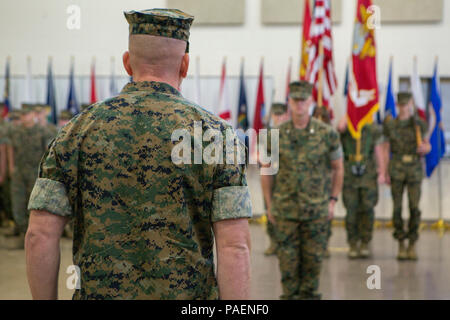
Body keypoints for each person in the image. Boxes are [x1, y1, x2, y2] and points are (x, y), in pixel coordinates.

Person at [26, 8, 252, 300]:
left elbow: (39, 235)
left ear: (127, 62)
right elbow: (235, 247)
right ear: (185, 65)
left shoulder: (76, 132)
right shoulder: (215, 136)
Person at [260, 81, 344, 300]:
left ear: (311, 102)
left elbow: (338, 168)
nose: (299, 105)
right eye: (295, 100)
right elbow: (267, 172)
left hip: (316, 213)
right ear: (289, 102)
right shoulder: (274, 136)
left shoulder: (327, 134)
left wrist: (333, 200)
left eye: (303, 100)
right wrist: (269, 206)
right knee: (288, 274)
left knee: (312, 273)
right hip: (285, 212)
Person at [383, 92, 431, 260]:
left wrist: (426, 149)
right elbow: (386, 148)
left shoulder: (419, 124)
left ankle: (412, 244)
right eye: (401, 105)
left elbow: (427, 145)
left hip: (414, 170)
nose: (404, 108)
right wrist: (384, 171)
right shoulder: (390, 125)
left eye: (407, 104)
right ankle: (400, 244)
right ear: (397, 105)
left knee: (414, 208)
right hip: (396, 168)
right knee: (396, 209)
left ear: (411, 103)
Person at [0, 105, 53, 248]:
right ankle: (23, 234)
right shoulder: (15, 131)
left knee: (34, 204)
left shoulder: (42, 131)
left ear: (33, 114)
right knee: (18, 203)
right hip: (19, 172)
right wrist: (11, 166)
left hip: (35, 173)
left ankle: (35, 236)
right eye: (21, 115)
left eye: (26, 114)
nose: (24, 117)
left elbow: (48, 152)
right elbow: (10, 149)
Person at [337, 116, 385, 258]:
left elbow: (378, 149)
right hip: (349, 173)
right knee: (351, 210)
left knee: (367, 209)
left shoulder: (372, 128)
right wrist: (345, 120)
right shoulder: (347, 126)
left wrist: (382, 171)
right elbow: (338, 131)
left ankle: (365, 242)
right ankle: (352, 243)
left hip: (368, 174)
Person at [263, 103, 289, 256]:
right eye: (276, 115)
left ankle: (285, 241)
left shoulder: (291, 133)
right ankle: (273, 242)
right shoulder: (268, 136)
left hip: (287, 179)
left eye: (282, 115)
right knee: (269, 207)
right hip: (272, 177)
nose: (279, 118)